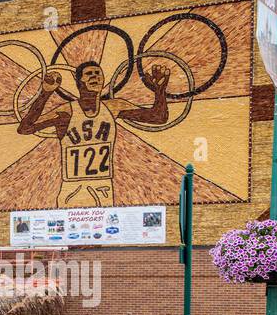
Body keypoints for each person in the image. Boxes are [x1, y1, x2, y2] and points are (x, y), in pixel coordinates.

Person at [17, 60, 170, 207]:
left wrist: (160, 90)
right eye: (89, 74)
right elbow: (25, 128)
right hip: (73, 188)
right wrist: (45, 93)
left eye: (98, 73)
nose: (95, 76)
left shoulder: (114, 107)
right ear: (79, 82)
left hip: (103, 186)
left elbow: (158, 117)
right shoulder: (66, 112)